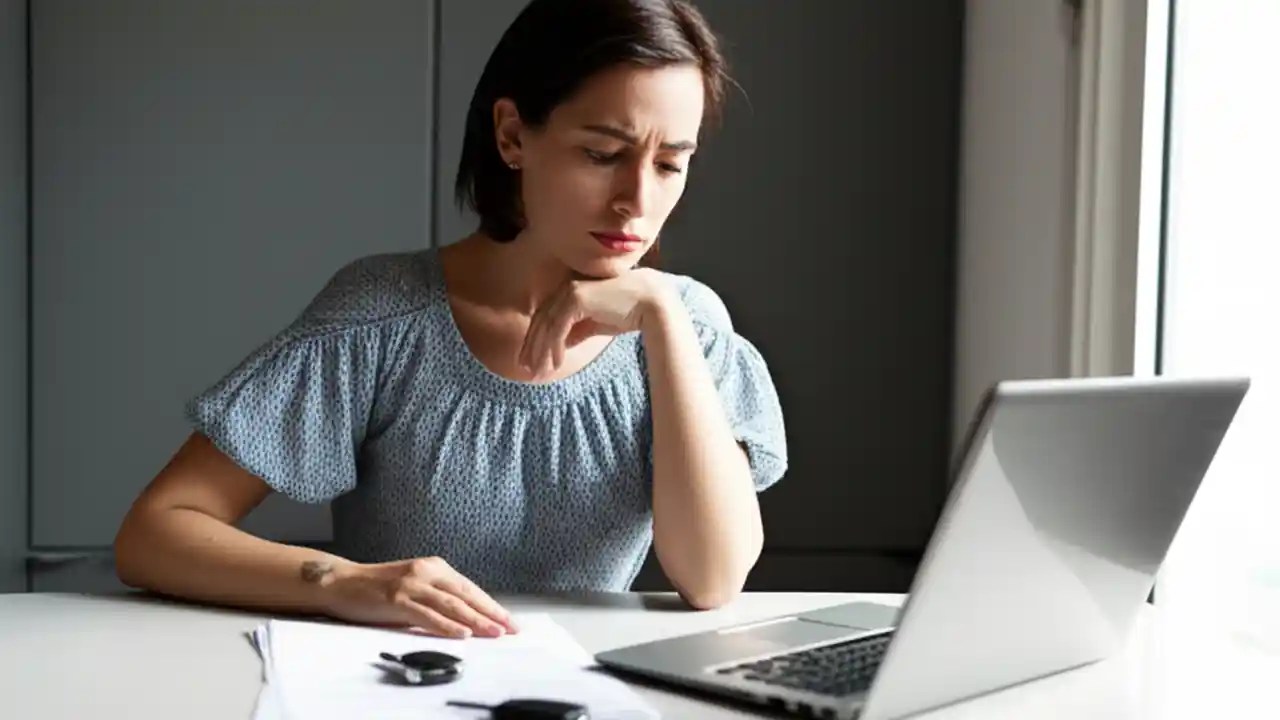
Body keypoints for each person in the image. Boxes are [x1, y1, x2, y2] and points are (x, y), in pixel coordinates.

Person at [113, 0, 787, 640]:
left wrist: (662, 316)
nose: (636, 200)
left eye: (671, 163)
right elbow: (156, 531)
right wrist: (341, 582)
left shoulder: (686, 325)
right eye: (602, 154)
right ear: (513, 135)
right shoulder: (382, 316)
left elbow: (713, 579)